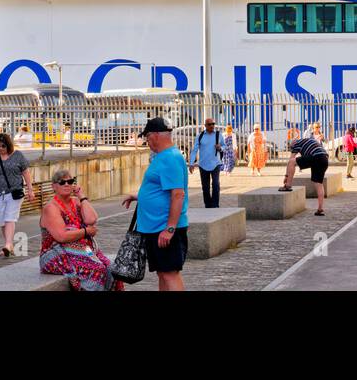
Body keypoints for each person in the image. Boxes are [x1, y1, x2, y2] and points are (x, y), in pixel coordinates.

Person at [122, 117, 188, 291]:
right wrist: (140, 197)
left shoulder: (169, 158)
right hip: (155, 227)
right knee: (162, 272)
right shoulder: (164, 157)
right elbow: (164, 189)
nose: (147, 141)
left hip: (163, 228)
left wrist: (170, 228)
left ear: (156, 135)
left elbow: (178, 194)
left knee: (169, 273)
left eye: (147, 137)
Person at [40, 169, 123, 291]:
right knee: (97, 270)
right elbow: (61, 236)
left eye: (70, 181)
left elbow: (91, 219)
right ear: (54, 186)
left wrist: (82, 196)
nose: (67, 184)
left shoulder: (76, 202)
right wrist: (85, 232)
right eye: (62, 182)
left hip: (82, 249)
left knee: (112, 269)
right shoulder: (51, 208)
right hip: (57, 253)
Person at [281, 133, 331, 216]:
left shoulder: (296, 143)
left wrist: (286, 176)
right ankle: (320, 209)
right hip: (324, 159)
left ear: (292, 143)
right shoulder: (309, 140)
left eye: (291, 148)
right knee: (319, 184)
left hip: (315, 157)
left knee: (292, 162)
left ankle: (288, 185)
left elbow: (291, 159)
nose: (292, 150)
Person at [187, 117, 224, 208]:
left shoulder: (218, 135)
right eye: (209, 124)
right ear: (205, 126)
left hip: (216, 163)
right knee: (205, 187)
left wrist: (220, 148)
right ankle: (208, 205)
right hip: (203, 165)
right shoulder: (200, 136)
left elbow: (225, 146)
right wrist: (191, 163)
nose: (212, 126)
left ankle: (215, 205)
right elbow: (194, 150)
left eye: (213, 124)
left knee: (216, 185)